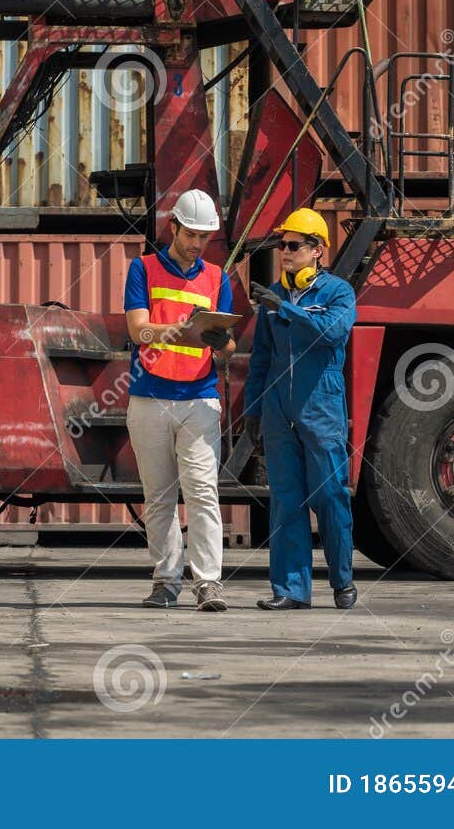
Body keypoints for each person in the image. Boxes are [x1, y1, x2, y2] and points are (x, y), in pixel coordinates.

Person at [123, 188, 236, 612]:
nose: (198, 244)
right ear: (174, 228)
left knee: (203, 492)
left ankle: (208, 584)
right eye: (191, 234)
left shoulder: (217, 278)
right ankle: (166, 581)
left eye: (205, 237)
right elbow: (137, 330)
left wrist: (218, 340)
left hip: (199, 397)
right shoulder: (143, 269)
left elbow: (227, 349)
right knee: (160, 495)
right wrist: (169, 332)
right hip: (150, 396)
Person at [240, 208, 358, 611]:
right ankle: (291, 590)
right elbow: (262, 356)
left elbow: (332, 332)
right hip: (278, 411)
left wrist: (285, 308)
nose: (284, 252)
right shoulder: (273, 297)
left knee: (329, 496)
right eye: (281, 245)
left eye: (293, 245)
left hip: (321, 407)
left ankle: (342, 581)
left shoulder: (339, 293)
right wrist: (252, 407)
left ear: (318, 251)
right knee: (286, 500)